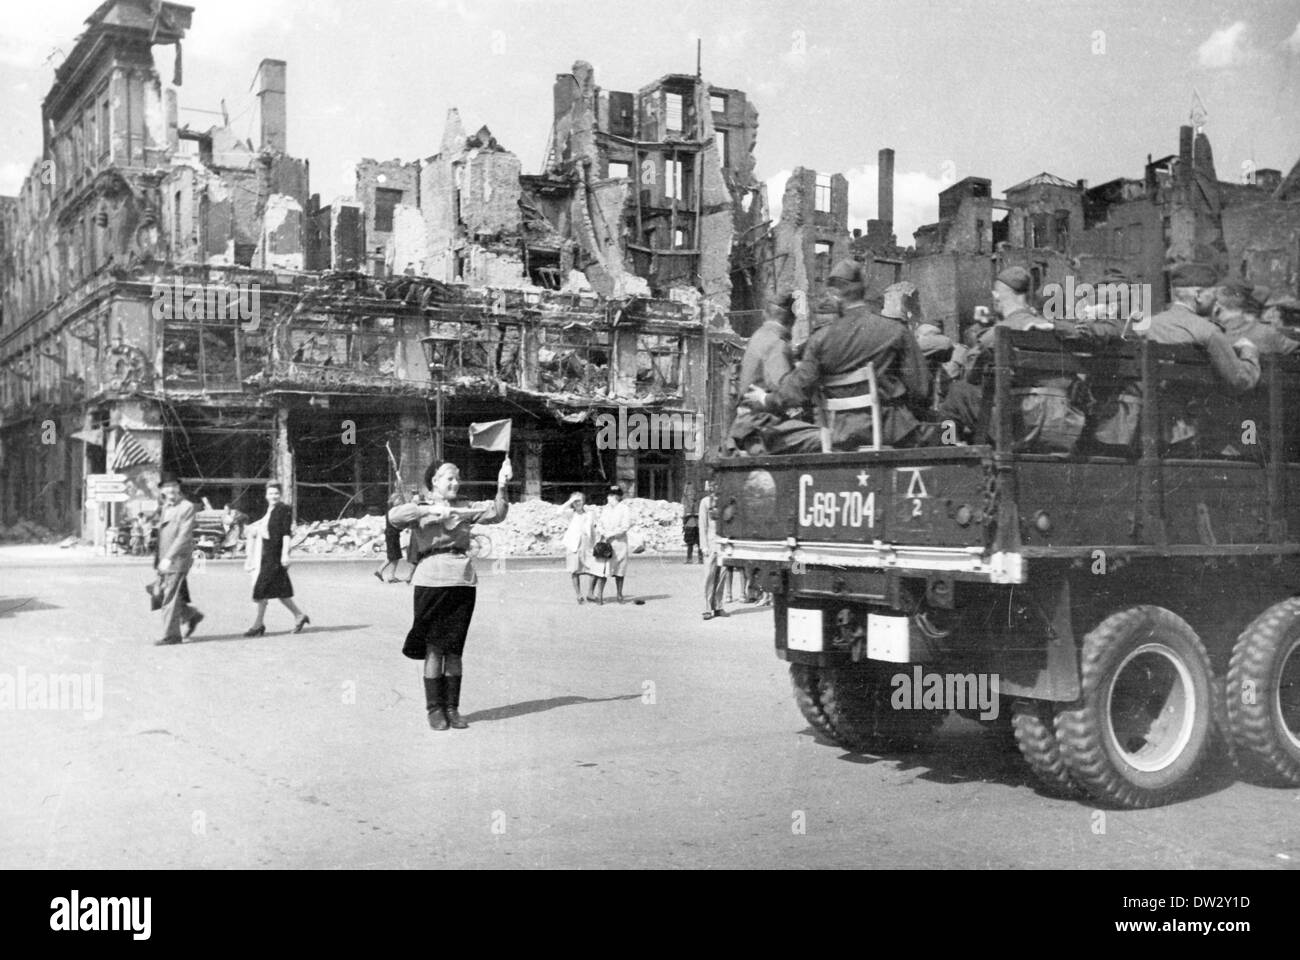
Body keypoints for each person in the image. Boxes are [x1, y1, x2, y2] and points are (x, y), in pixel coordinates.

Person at [743, 259, 931, 451]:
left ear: (836, 296)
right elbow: (921, 391)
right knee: (946, 432)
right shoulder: (896, 331)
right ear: (863, 291)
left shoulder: (820, 340)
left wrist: (766, 399)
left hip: (838, 433)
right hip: (893, 431)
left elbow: (796, 390)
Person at [388, 457, 512, 731]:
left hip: (462, 581)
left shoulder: (464, 507)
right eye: (449, 478)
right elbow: (394, 518)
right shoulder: (419, 506)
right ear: (434, 481)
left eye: (457, 479)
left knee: (454, 650)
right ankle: (434, 709)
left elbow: (497, 513)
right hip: (430, 580)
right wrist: (430, 510)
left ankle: (452, 708)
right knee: (434, 648)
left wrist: (502, 484)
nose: (455, 483)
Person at [728, 293, 804, 455]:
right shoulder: (777, 343)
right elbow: (784, 393)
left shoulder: (758, 337)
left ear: (764, 315)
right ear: (792, 320)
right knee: (820, 436)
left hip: (748, 424)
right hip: (764, 427)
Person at [243, 482, 309, 636]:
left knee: (260, 590)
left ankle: (258, 625)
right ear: (266, 495)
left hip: (275, 556)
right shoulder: (269, 510)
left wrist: (285, 554)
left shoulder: (283, 509)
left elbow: (286, 533)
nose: (273, 496)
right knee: (280, 591)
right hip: (266, 554)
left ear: (280, 495)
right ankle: (299, 616)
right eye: (271, 493)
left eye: (276, 493)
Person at [154, 471, 203, 645]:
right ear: (162, 490)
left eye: (174, 486)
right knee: (160, 593)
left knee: (169, 596)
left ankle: (172, 635)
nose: (171, 490)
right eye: (167, 487)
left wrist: (168, 557)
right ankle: (191, 615)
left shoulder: (186, 507)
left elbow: (183, 535)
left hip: (177, 558)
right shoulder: (166, 506)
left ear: (179, 487)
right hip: (163, 557)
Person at [589, 485, 632, 604]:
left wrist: (612, 534)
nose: (610, 497)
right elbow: (599, 523)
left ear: (618, 496)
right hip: (606, 543)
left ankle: (619, 595)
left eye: (613, 495)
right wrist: (603, 532)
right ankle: (600, 596)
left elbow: (625, 526)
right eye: (609, 495)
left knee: (620, 570)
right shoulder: (605, 509)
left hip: (619, 543)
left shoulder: (624, 509)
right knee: (603, 570)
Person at [560, 491, 596, 603]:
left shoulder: (589, 513)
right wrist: (570, 501)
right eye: (575, 501)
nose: (577, 503)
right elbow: (558, 511)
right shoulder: (570, 513)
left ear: (584, 501)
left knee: (594, 569)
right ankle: (579, 595)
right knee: (574, 570)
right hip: (573, 544)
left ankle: (590, 593)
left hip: (587, 543)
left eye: (579, 500)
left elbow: (593, 527)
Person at [699, 484, 728, 620]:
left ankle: (718, 606)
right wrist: (703, 545)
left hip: (723, 543)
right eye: (714, 486)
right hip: (710, 543)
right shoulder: (705, 502)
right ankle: (706, 608)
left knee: (722, 575)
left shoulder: (725, 502)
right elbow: (702, 524)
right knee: (708, 576)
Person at [375, 492, 407, 583]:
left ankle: (382, 572)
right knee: (394, 555)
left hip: (392, 534)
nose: (400, 501)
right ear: (394, 500)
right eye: (399, 499)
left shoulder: (391, 509)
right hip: (392, 534)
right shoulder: (394, 510)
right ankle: (388, 575)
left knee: (394, 555)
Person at [681, 483, 702, 563]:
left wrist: (684, 522)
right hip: (696, 524)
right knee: (698, 542)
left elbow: (685, 513)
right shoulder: (698, 501)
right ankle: (700, 559)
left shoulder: (686, 501)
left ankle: (690, 559)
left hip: (690, 524)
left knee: (690, 543)